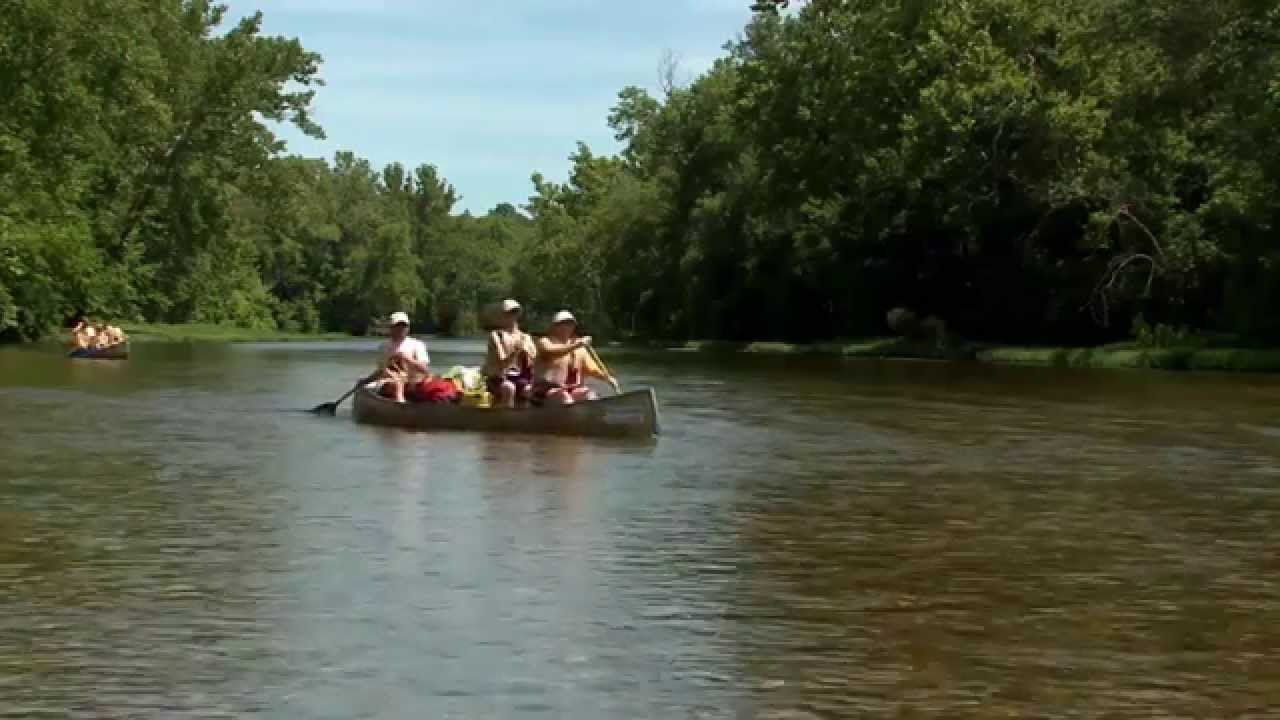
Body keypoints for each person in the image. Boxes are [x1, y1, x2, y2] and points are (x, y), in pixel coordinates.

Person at [532, 310, 619, 406]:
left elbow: (592, 369)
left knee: (590, 396)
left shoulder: (579, 347)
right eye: (562, 323)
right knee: (565, 399)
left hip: (572, 389)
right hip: (547, 389)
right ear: (554, 326)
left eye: (570, 323)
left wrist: (607, 377)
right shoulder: (544, 342)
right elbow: (552, 352)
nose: (566, 326)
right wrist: (577, 345)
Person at [359, 311, 432, 403]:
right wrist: (367, 380)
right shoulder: (384, 347)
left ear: (408, 328)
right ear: (391, 327)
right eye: (397, 325)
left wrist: (407, 359)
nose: (401, 329)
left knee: (405, 383)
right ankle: (400, 402)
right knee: (396, 383)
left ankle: (402, 403)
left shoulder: (417, 345)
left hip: (413, 383)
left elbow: (425, 370)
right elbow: (381, 371)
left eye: (404, 326)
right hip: (390, 383)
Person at [482, 299, 536, 408]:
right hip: (498, 377)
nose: (511, 316)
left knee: (529, 390)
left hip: (519, 377)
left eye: (514, 312)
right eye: (507, 313)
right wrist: (516, 350)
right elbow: (502, 362)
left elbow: (534, 362)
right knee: (509, 388)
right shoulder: (496, 335)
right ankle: (506, 421)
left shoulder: (526, 337)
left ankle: (524, 420)